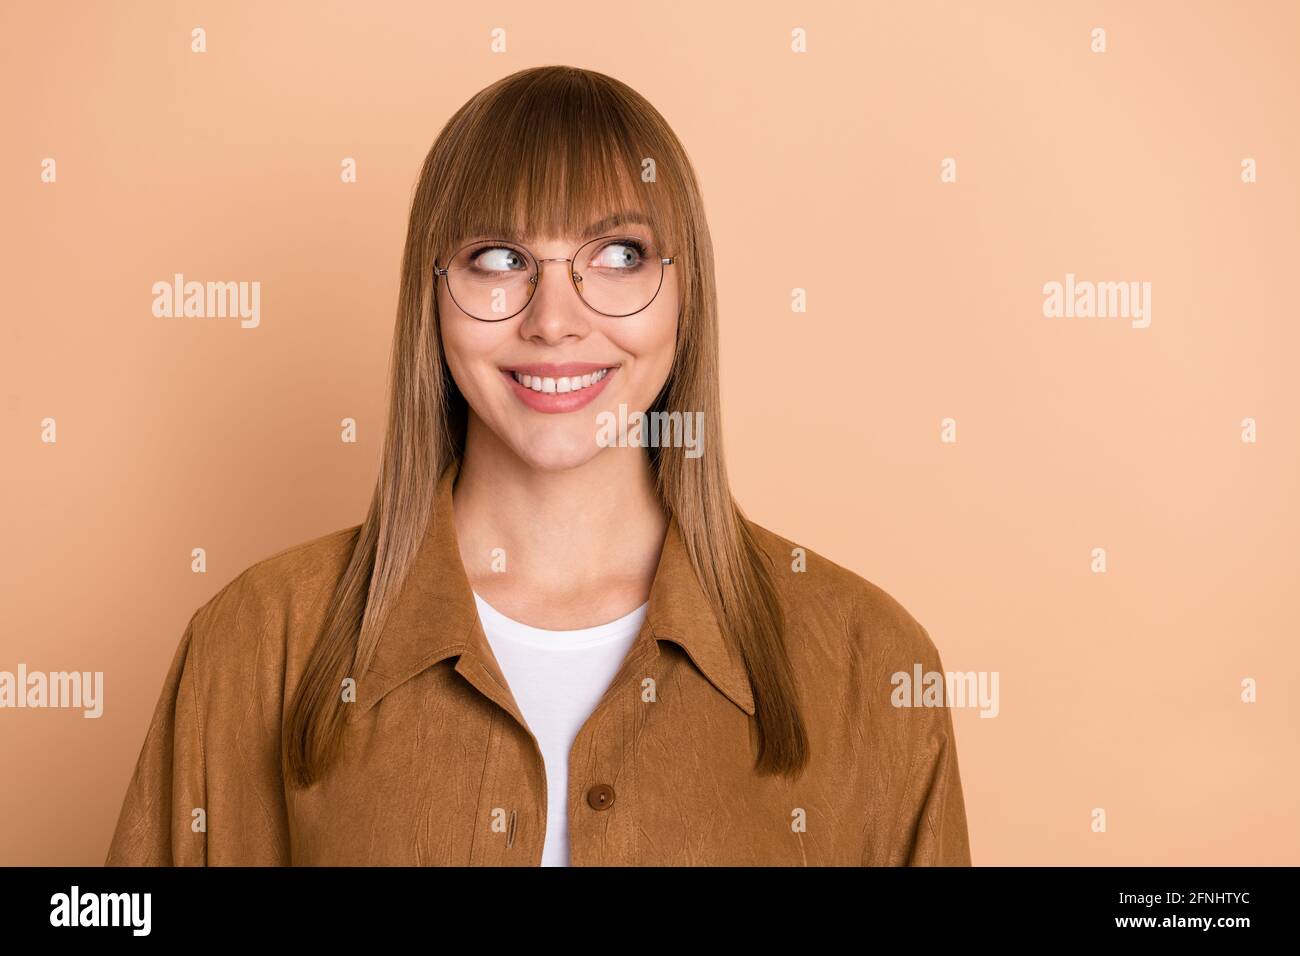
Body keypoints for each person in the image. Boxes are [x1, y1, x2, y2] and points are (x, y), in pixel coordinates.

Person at [106, 64, 971, 866]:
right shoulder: (256, 643)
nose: (554, 319)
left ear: (685, 291)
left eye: (619, 255)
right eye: (499, 260)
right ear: (432, 295)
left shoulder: (871, 663)